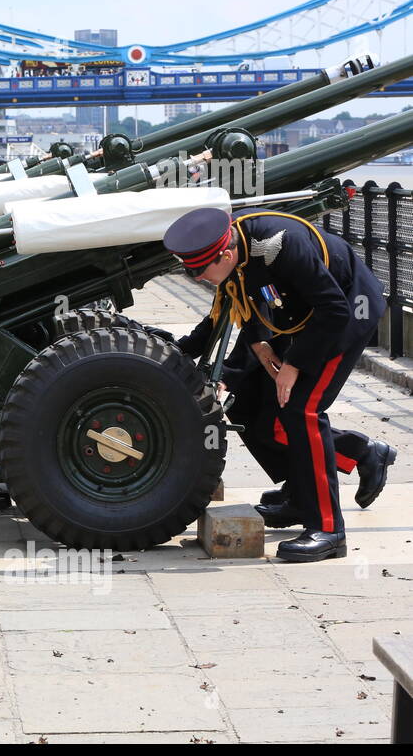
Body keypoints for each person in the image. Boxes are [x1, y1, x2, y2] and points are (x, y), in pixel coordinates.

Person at [164, 205, 396, 563]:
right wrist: (184, 351)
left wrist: (293, 364)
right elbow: (238, 302)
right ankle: (307, 494)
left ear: (224, 254)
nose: (196, 278)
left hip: (347, 312)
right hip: (302, 316)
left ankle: (329, 529)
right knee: (249, 407)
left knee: (301, 410)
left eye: (200, 270)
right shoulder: (234, 247)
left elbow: (334, 309)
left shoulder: (278, 244)